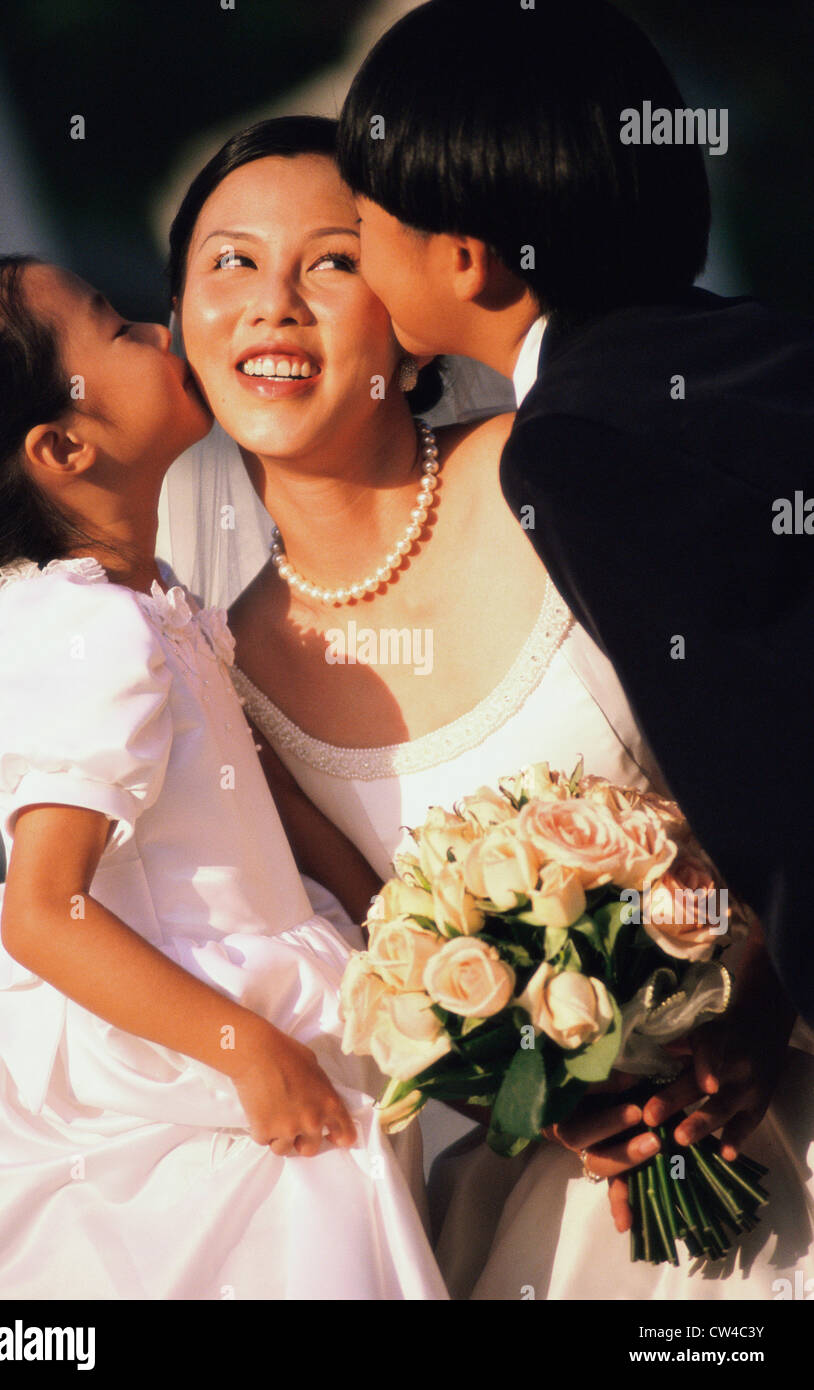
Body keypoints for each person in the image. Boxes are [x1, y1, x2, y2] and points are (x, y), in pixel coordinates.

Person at [163, 116, 811, 1298]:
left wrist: (759, 994)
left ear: (410, 325)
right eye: (232, 263)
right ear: (177, 338)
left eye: (332, 259)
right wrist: (550, 1095)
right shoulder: (218, 676)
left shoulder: (557, 466)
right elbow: (378, 967)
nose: (275, 305)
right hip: (592, 1205)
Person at [0, 254, 448, 1300]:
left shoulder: (147, 601)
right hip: (191, 1070)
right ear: (64, 446)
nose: (159, 328)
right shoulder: (81, 629)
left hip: (249, 1021)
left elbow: (279, 809)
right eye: (117, 330)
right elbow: (44, 910)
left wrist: (407, 938)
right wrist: (244, 1049)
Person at [336, 0, 814, 1037]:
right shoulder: (756, 340)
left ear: (468, 260)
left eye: (361, 230)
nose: (358, 265)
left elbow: (761, 771)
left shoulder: (575, 445)